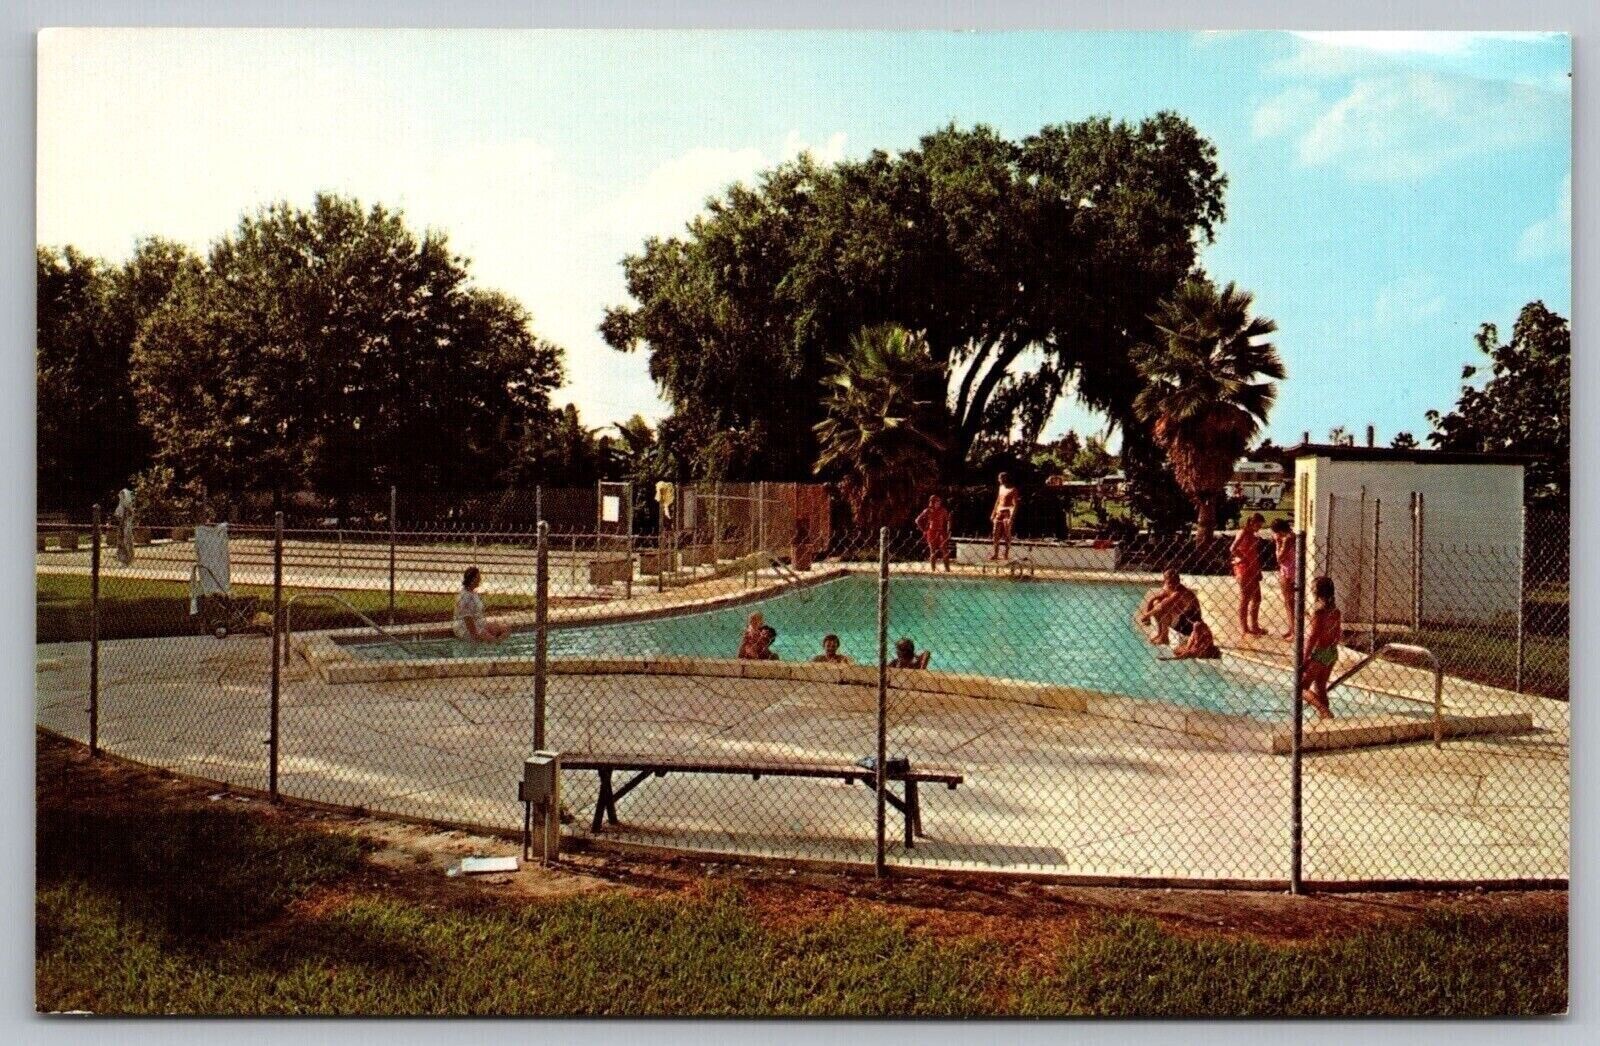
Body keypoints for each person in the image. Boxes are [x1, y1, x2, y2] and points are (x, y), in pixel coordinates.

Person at [1300, 576, 1342, 719]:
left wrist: (1304, 658)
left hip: (1319, 653)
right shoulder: (1335, 612)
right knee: (1320, 687)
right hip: (1331, 652)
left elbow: (1313, 637)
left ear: (1317, 593)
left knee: (1300, 688)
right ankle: (1325, 717)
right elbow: (1336, 632)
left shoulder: (1319, 613)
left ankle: (1324, 711)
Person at [1133, 568, 1201, 646]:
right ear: (1165, 581)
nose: (1172, 585)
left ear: (1179, 581)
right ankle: (1160, 634)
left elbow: (1163, 605)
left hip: (1190, 625)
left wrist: (1147, 615)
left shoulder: (1180, 592)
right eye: (1169, 582)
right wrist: (1148, 611)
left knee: (1164, 608)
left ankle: (1164, 638)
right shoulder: (1167, 587)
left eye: (1175, 582)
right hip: (1180, 619)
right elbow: (1154, 598)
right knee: (1156, 602)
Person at [1231, 513, 1267, 637]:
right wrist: (1243, 559)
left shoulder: (1252, 535)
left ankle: (1254, 625)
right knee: (1245, 598)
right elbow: (1233, 548)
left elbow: (1254, 553)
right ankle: (1244, 627)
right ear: (1252, 522)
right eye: (1258, 525)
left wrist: (1258, 569)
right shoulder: (1243, 533)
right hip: (1244, 569)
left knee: (1257, 598)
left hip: (1253, 568)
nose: (1259, 528)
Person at [453, 567, 510, 643]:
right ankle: (494, 645)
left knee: (506, 629)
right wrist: (477, 634)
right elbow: (468, 619)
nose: (480, 579)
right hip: (465, 627)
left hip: (479, 623)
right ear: (472, 579)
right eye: (478, 577)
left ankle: (496, 644)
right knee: (492, 640)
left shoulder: (473, 593)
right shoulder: (465, 596)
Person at [1270, 519, 1297, 639]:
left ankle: (1294, 631)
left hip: (1288, 572)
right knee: (1290, 602)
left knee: (1289, 602)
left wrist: (1277, 543)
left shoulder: (1286, 540)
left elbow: (1279, 558)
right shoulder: (1292, 536)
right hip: (1293, 569)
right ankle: (1292, 629)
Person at [915, 494, 953, 571]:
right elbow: (917, 520)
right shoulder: (927, 510)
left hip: (941, 531)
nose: (939, 502)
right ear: (933, 502)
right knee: (932, 550)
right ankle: (933, 569)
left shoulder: (943, 510)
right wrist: (924, 530)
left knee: (944, 549)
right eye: (937, 501)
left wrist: (948, 530)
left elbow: (948, 520)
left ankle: (947, 569)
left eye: (939, 501)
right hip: (931, 532)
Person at [989, 472, 1019, 561]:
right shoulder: (1001, 488)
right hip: (999, 513)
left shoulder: (1013, 490)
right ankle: (995, 553)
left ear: (1004, 479)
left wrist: (1011, 517)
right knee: (995, 533)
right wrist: (993, 513)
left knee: (1007, 534)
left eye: (1000, 478)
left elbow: (1015, 505)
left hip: (1007, 513)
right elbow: (998, 501)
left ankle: (1006, 554)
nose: (998, 480)